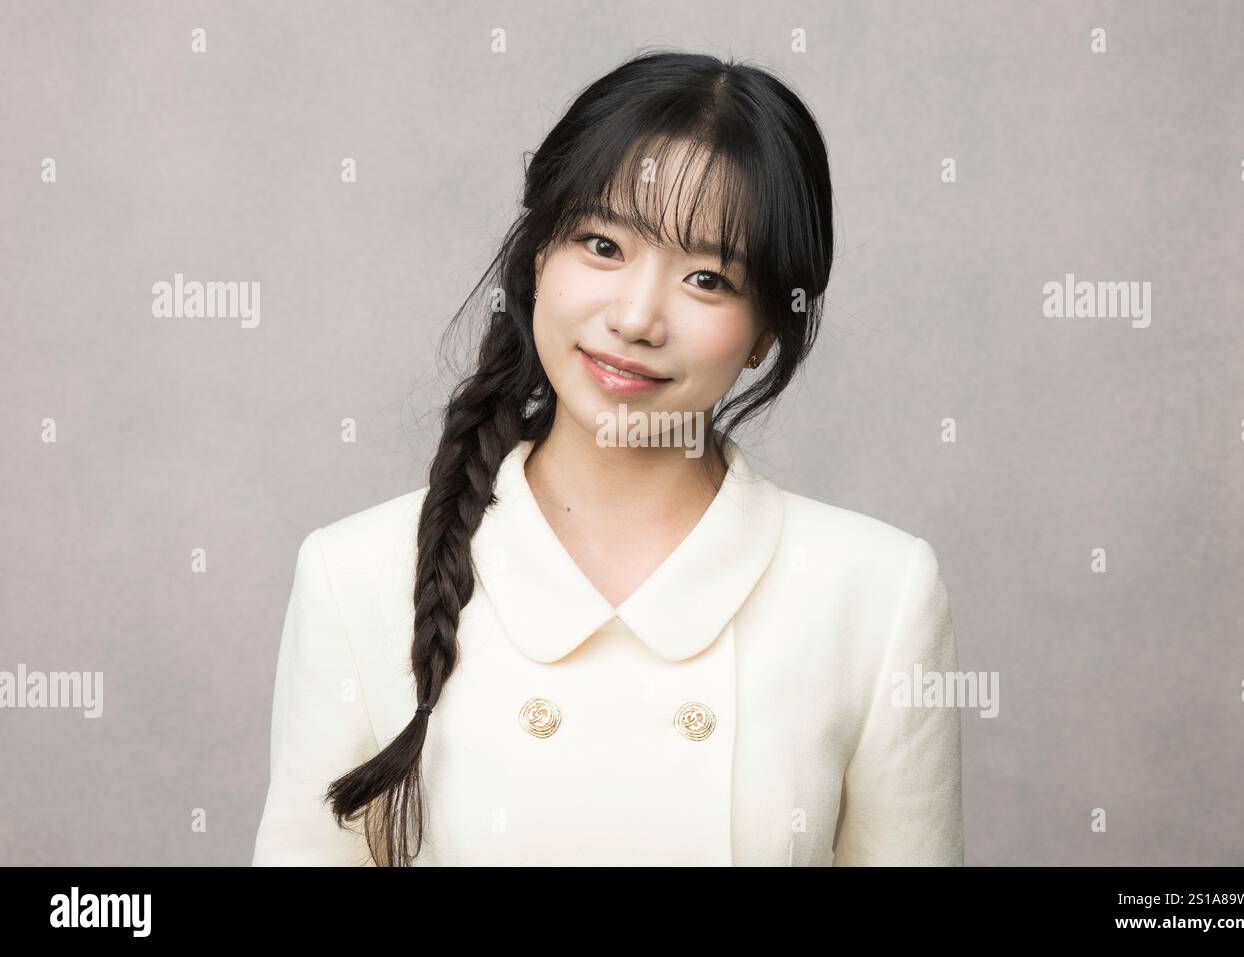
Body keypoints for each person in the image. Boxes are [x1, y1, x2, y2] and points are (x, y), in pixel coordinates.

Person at [251, 49, 964, 867]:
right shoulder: (355, 574)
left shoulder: (876, 592)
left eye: (706, 277)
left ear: (770, 327)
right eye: (601, 244)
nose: (635, 317)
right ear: (536, 259)